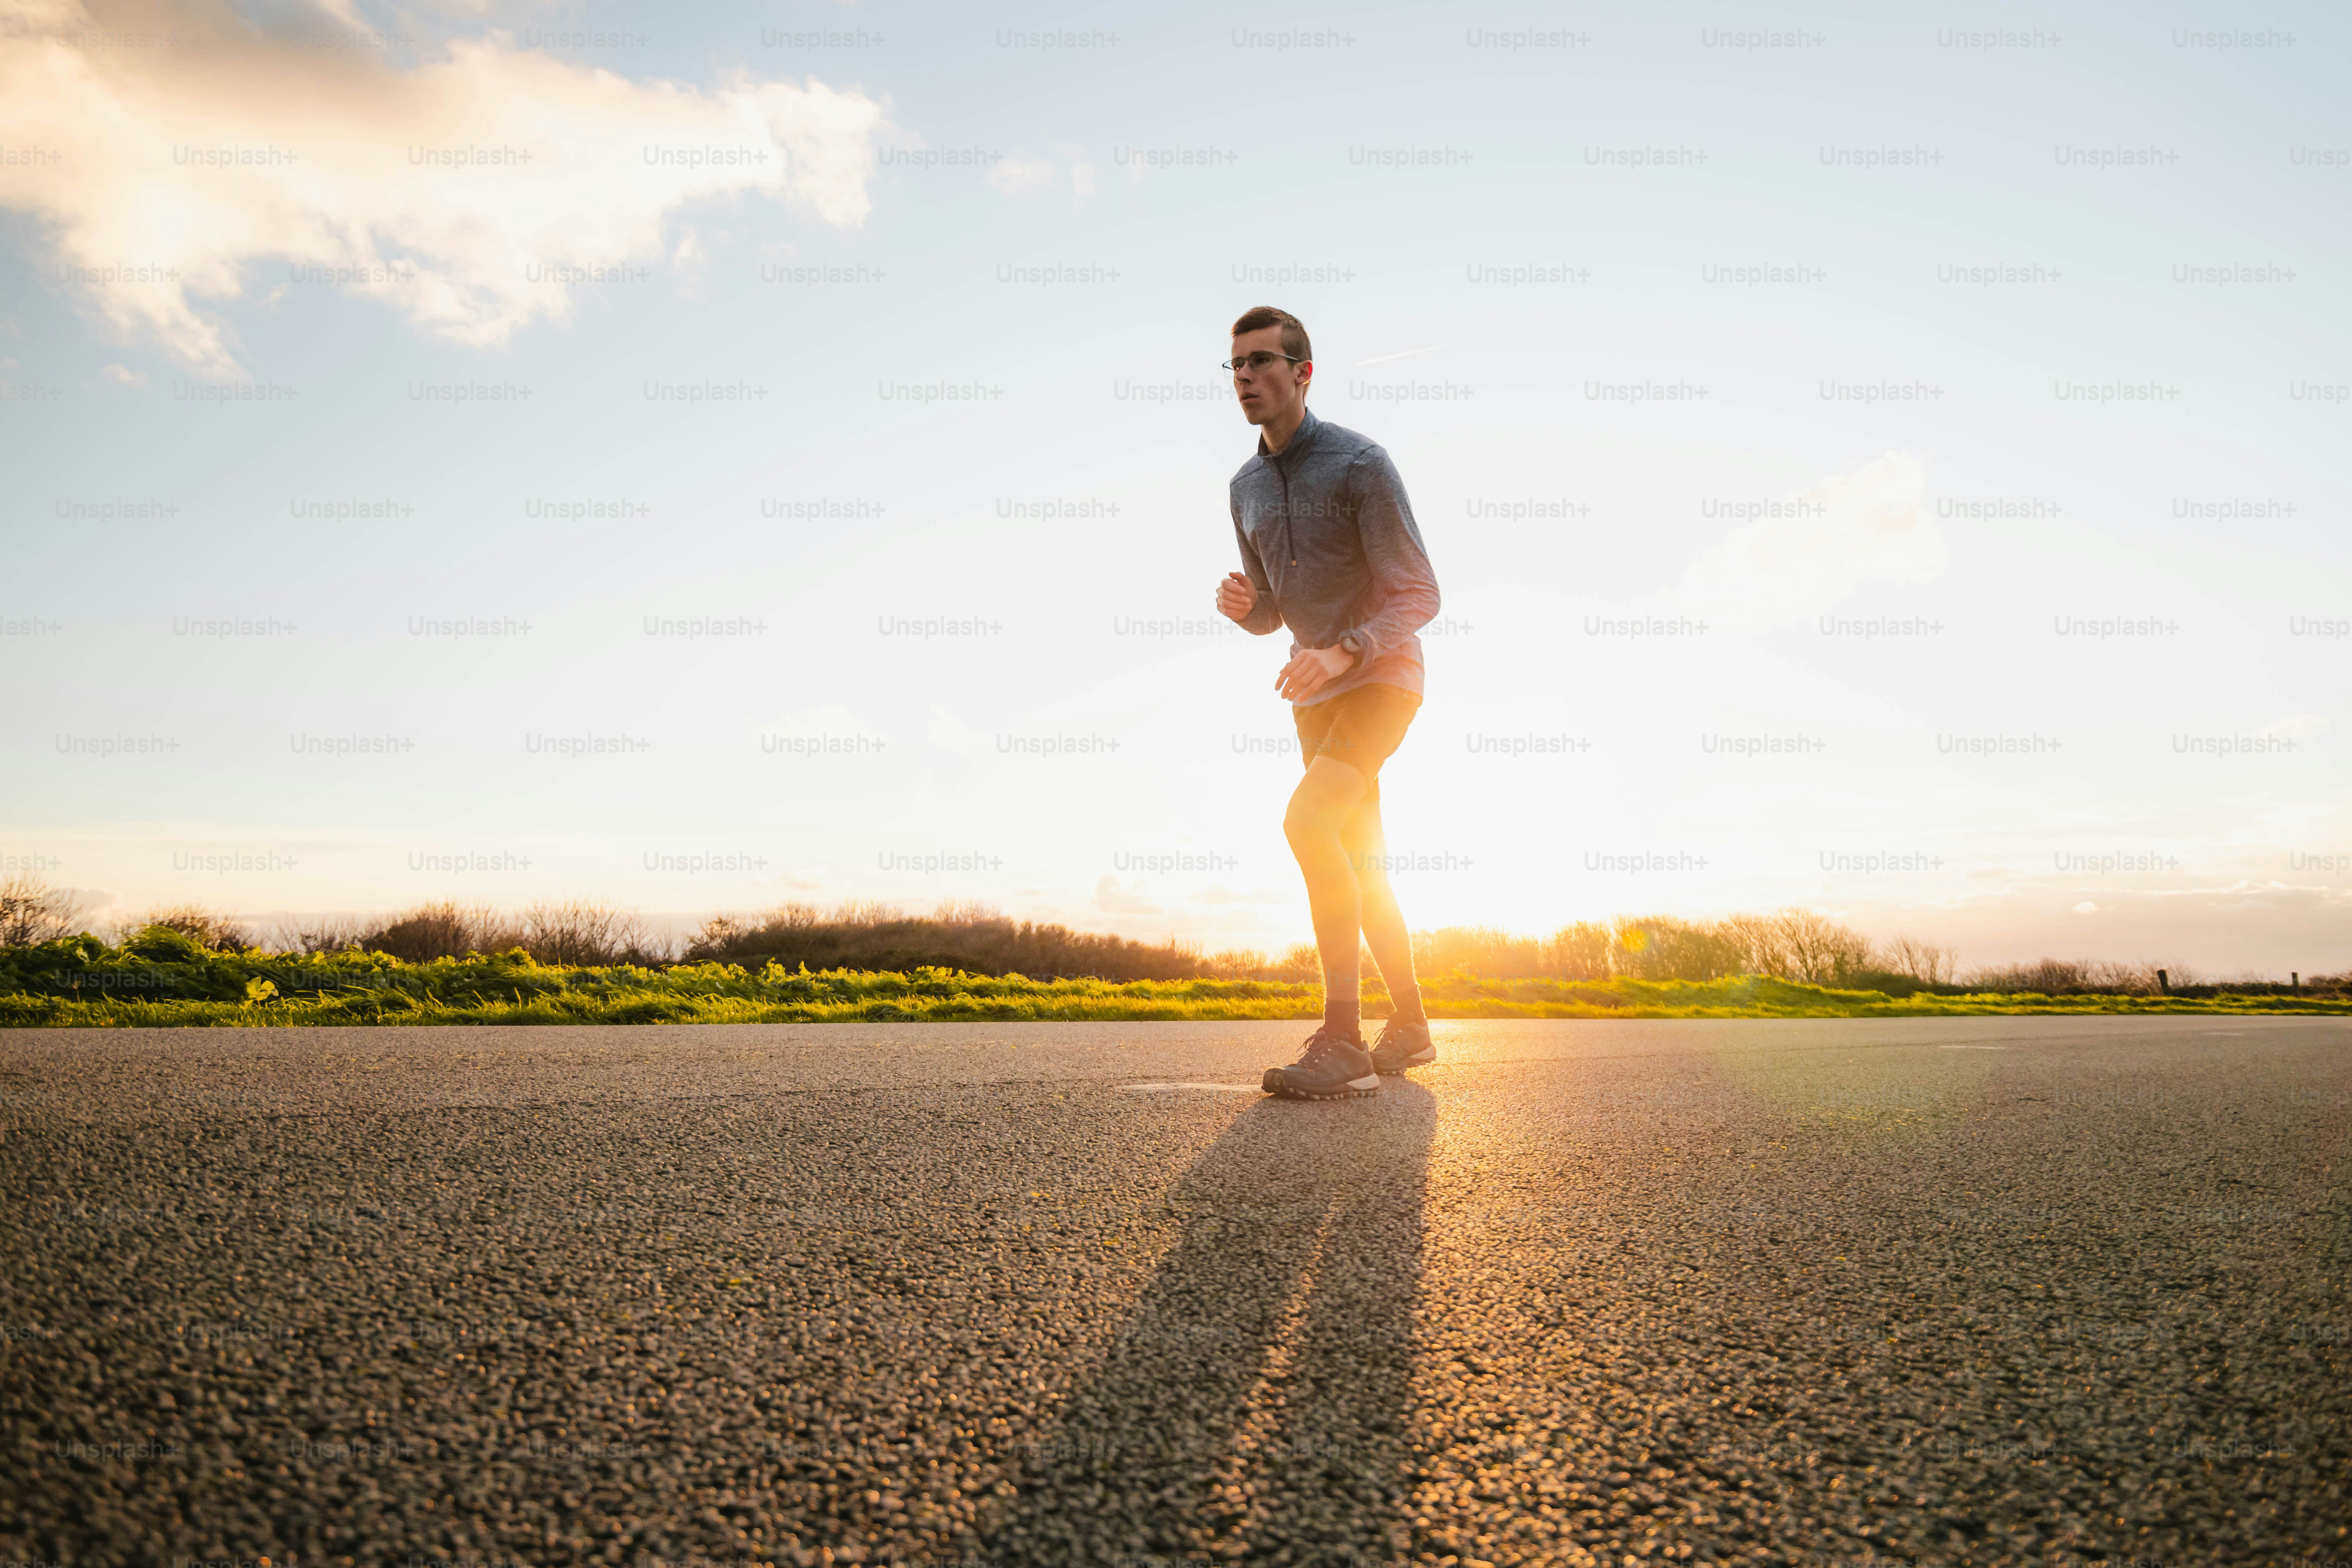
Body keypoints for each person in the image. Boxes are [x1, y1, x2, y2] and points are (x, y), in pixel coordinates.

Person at [1215, 305, 1443, 1101]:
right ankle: (1409, 1025)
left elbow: (1420, 591)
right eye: (1234, 365)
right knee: (1359, 862)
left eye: (1260, 363)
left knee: (1306, 823)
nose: (1244, 377)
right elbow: (1275, 612)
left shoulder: (1358, 464)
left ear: (1302, 373)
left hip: (1380, 682)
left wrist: (1346, 648)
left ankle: (1342, 1035)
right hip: (1311, 695)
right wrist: (1248, 610)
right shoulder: (1242, 487)